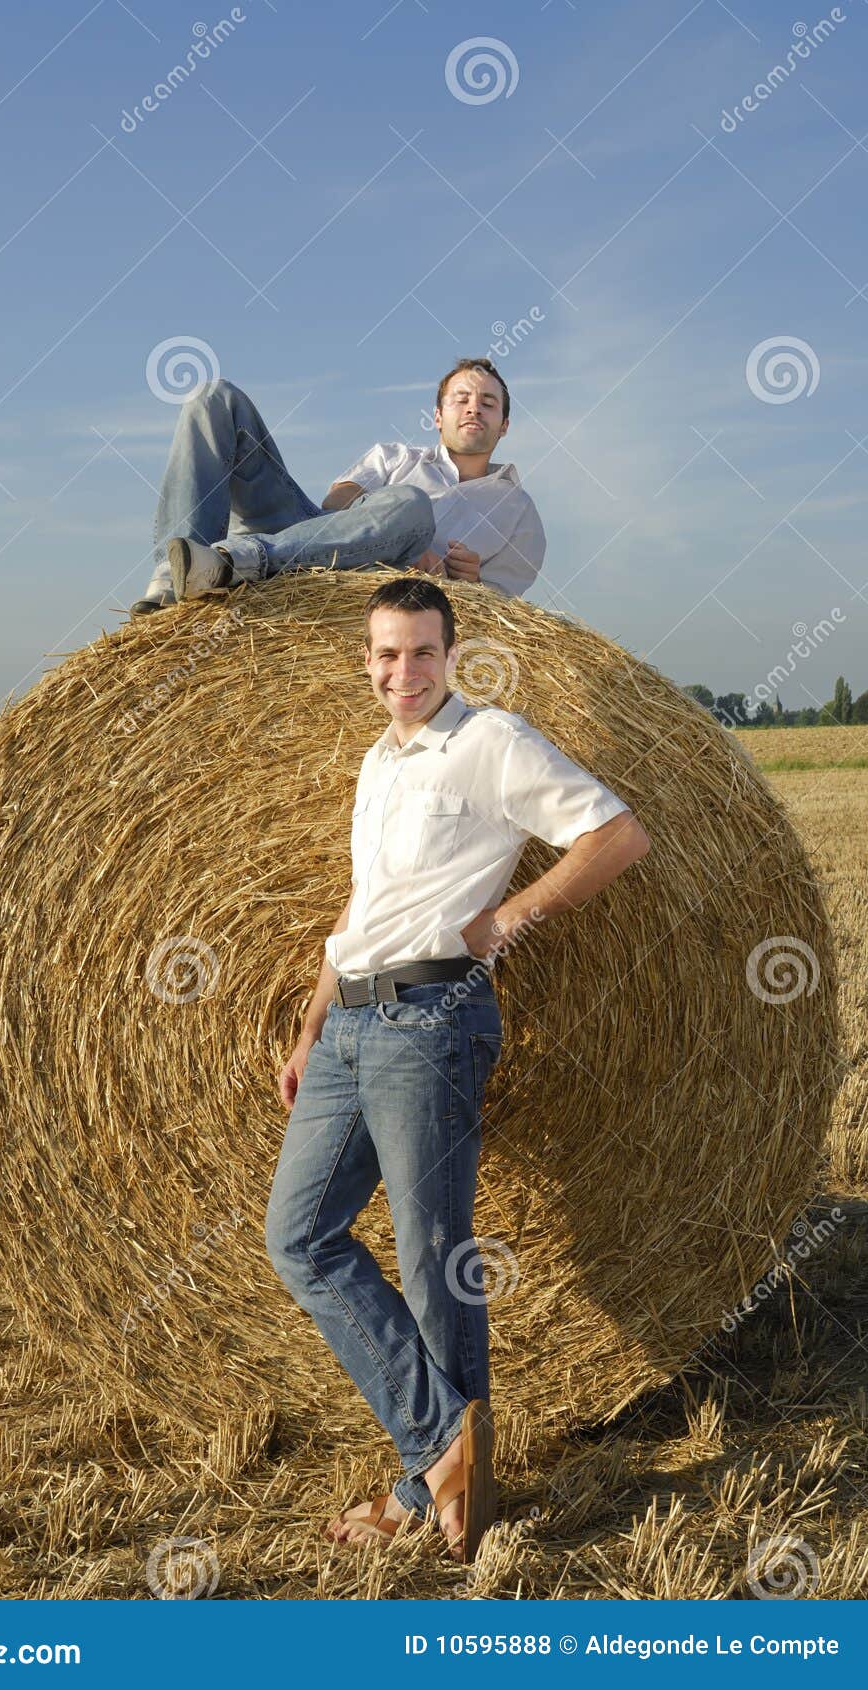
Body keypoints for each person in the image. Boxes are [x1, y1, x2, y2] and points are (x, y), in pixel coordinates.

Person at [263, 576, 650, 1564]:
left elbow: (617, 833)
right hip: (351, 1023)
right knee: (299, 1237)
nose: (405, 671)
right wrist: (312, 1024)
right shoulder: (378, 761)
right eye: (388, 654)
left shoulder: (491, 742)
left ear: (452, 651)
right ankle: (442, 1447)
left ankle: (431, 1478)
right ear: (367, 660)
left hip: (432, 1016)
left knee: (436, 1254)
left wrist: (515, 916)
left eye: (423, 652)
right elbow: (362, 907)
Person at [130, 359, 546, 615]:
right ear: (438, 416)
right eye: (461, 399)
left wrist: (467, 582)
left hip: (383, 584)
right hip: (315, 538)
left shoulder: (520, 514)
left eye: (488, 403)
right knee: (214, 396)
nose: (474, 407)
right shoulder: (395, 456)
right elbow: (335, 505)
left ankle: (227, 562)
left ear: (504, 425)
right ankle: (175, 577)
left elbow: (501, 612)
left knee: (412, 503)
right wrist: (390, 531)